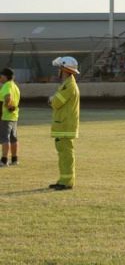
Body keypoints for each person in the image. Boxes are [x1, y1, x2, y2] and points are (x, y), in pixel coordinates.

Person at [48, 56, 80, 191]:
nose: (58, 71)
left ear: (64, 70)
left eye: (59, 69)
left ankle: (66, 182)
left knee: (66, 155)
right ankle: (63, 180)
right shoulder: (67, 84)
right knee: (63, 155)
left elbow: (55, 102)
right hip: (63, 125)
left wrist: (51, 99)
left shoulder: (68, 85)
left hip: (65, 125)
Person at [0, 68, 20, 167]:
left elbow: (7, 97)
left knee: (4, 138)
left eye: (1, 76)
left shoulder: (7, 85)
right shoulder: (15, 86)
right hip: (14, 116)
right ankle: (15, 159)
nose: (0, 78)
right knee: (13, 139)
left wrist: (8, 106)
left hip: (5, 116)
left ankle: (4, 160)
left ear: (6, 76)